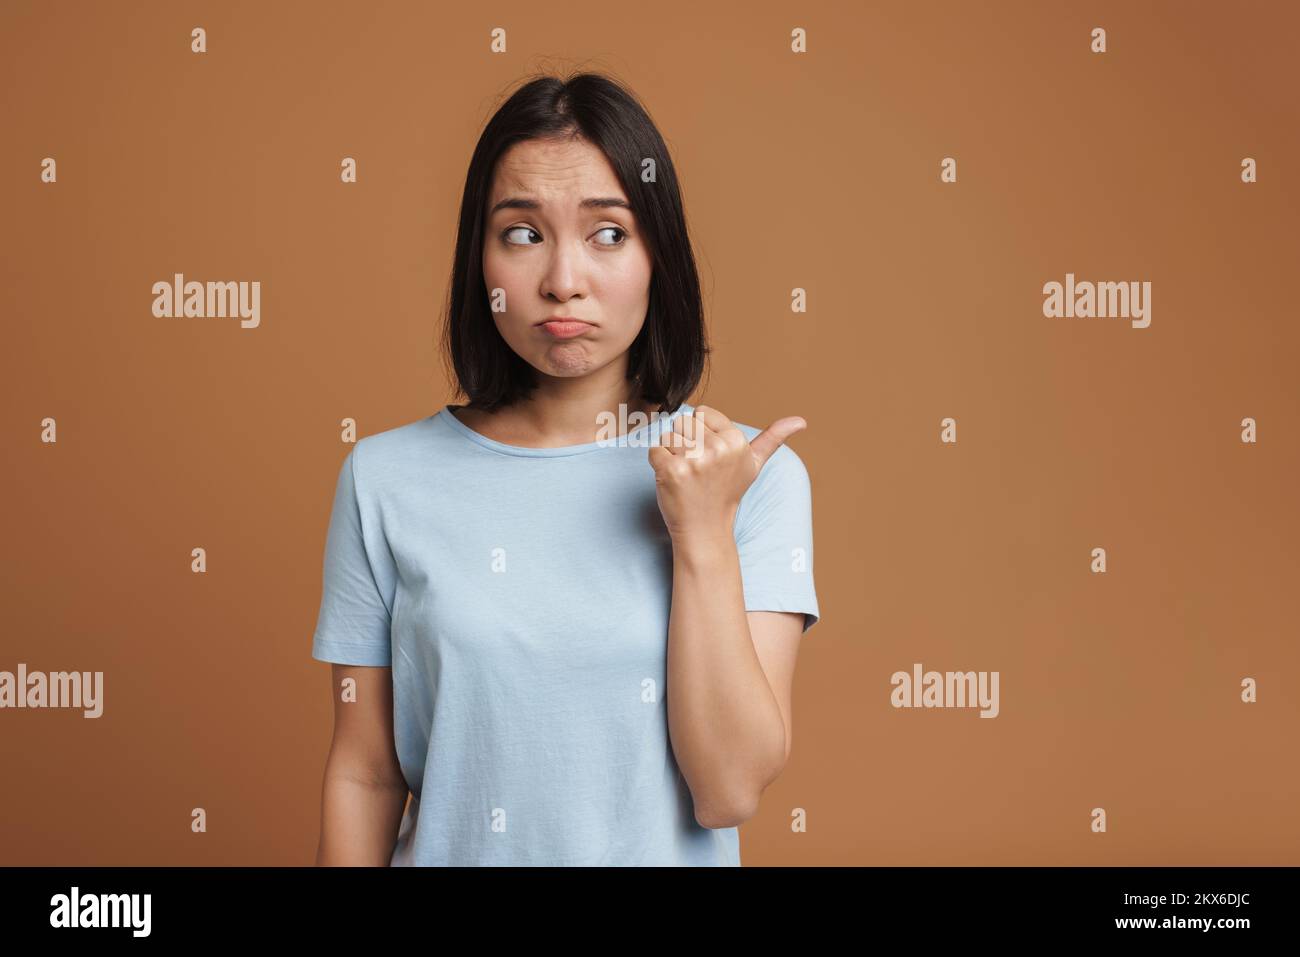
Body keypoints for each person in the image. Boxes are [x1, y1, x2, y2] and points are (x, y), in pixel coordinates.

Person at [311, 71, 820, 866]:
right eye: (521, 233)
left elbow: (728, 789)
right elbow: (368, 774)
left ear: (660, 255)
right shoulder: (381, 479)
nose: (562, 281)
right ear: (478, 259)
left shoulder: (748, 476)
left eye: (608, 233)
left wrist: (703, 533)